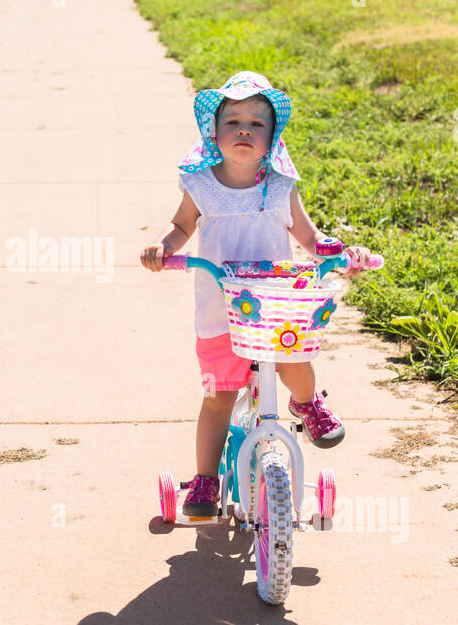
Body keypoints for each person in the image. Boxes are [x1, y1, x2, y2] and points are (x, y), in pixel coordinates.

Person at [141, 72, 372, 517]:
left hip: (275, 311)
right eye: (233, 122)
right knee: (218, 398)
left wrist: (344, 253)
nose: (244, 130)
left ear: (273, 137)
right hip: (220, 314)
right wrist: (165, 248)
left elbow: (310, 237)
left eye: (256, 124)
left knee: (297, 364)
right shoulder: (201, 184)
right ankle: (206, 478)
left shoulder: (281, 186)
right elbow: (183, 226)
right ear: (214, 132)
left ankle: (306, 404)